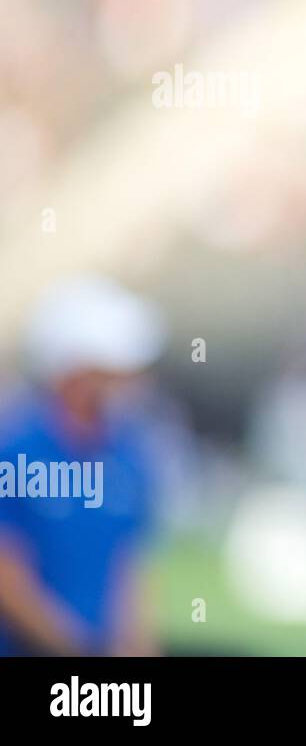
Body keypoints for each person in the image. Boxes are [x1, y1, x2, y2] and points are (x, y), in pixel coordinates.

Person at [0, 273, 165, 656]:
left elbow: (130, 569)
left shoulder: (130, 455)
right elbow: (8, 575)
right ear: (79, 373)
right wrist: (79, 649)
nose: (130, 382)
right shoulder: (16, 450)